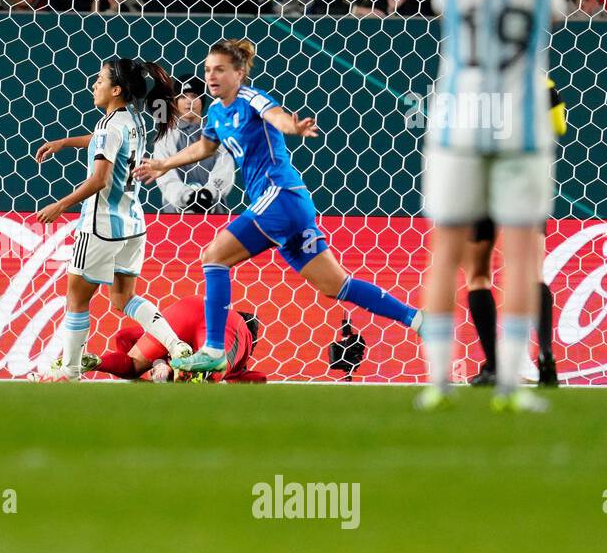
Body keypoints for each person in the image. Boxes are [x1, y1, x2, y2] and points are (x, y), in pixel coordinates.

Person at [137, 38, 421, 376]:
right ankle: (418, 320)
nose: (211, 76)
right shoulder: (214, 112)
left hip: (280, 195)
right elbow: (203, 149)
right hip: (288, 207)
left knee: (214, 256)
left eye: (220, 70)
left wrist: (293, 127)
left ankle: (214, 347)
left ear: (239, 73)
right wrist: (164, 164)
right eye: (208, 70)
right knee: (336, 286)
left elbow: (276, 116)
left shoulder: (250, 98)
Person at [416, 0, 564, 412]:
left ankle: (436, 384)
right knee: (524, 254)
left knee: (446, 252)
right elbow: (550, 20)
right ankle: (509, 387)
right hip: (522, 125)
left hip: (460, 118)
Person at [33, 58, 192, 380]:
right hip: (132, 224)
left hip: (100, 226)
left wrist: (60, 205)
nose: (94, 85)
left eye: (100, 80)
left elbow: (99, 180)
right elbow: (104, 141)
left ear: (116, 89)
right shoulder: (132, 119)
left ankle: (71, 370)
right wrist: (65, 142)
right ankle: (176, 346)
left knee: (76, 300)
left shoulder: (109, 126)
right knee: (123, 298)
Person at [463, 79, 568, 389]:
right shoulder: (541, 81)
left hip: (485, 180)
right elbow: (558, 126)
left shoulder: (473, 78)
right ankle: (546, 355)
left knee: (478, 275)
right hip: (526, 179)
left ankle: (495, 365)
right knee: (533, 272)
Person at [87, 297, 264, 383]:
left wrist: (142, 372)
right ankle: (192, 373)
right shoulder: (243, 339)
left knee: (133, 364)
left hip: (184, 309)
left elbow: (123, 336)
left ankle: (97, 361)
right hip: (226, 324)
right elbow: (260, 379)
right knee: (214, 369)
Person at [150, 75, 236, 214]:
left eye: (194, 95)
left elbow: (225, 169)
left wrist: (207, 194)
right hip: (175, 212)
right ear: (175, 101)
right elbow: (165, 177)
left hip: (214, 210)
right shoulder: (165, 137)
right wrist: (188, 197)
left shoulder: (217, 132)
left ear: (202, 100)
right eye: (183, 96)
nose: (189, 101)